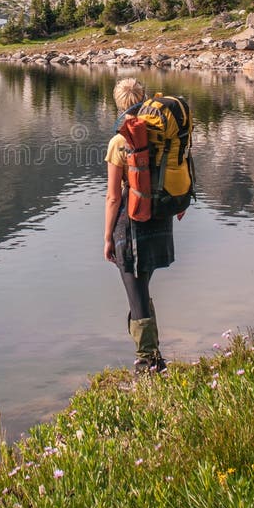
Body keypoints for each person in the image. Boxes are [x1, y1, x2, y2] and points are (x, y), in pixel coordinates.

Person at [104, 77, 181, 373]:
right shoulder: (162, 132)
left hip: (132, 221)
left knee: (135, 290)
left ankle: (147, 361)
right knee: (141, 287)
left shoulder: (120, 140)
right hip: (160, 217)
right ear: (145, 98)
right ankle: (154, 358)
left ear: (118, 103)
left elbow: (113, 197)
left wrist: (108, 236)